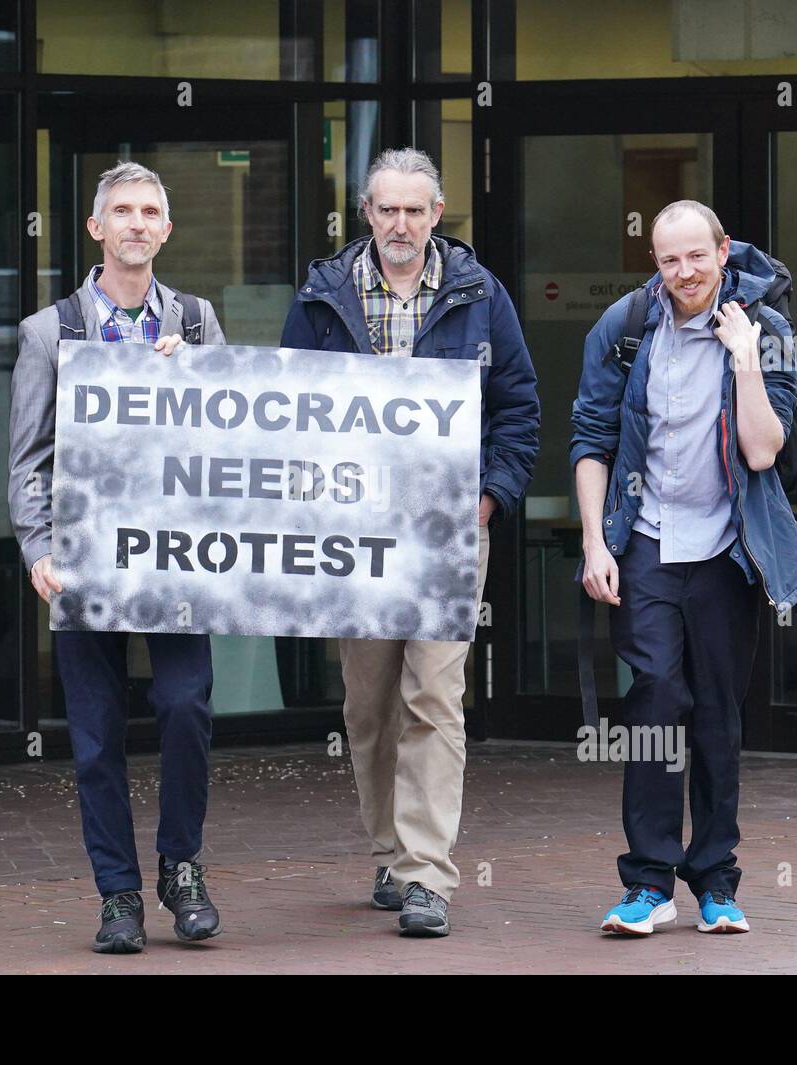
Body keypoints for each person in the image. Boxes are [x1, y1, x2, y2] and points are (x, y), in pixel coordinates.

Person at [281, 147, 540, 937]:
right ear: (367, 213)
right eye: (386, 209)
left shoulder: (478, 293)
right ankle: (391, 852)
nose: (401, 223)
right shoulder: (323, 295)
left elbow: (518, 405)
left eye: (415, 209)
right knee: (370, 705)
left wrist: (489, 502)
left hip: (447, 533)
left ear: (438, 214)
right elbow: (286, 406)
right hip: (354, 534)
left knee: (436, 694)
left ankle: (429, 874)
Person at [570, 199, 797, 936]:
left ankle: (715, 881)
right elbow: (591, 438)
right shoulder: (626, 328)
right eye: (669, 260)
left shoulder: (763, 328)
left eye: (696, 256)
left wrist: (741, 359)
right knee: (655, 699)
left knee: (716, 712)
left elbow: (765, 450)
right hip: (645, 542)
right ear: (656, 264)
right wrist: (594, 542)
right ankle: (646, 882)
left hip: (726, 551)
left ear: (723, 248)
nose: (685, 273)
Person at [8, 161, 226, 953]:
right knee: (97, 734)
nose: (137, 223)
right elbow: (29, 459)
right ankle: (118, 894)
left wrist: (194, 382)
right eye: (122, 212)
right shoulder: (49, 331)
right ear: (96, 229)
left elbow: (234, 449)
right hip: (87, 562)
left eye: (150, 211)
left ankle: (183, 868)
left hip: (176, 562)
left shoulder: (198, 323)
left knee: (185, 707)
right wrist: (37, 547)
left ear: (166, 230)